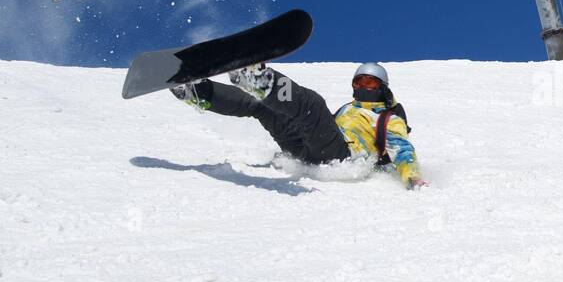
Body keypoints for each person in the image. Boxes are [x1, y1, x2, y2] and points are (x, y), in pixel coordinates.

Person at [171, 62, 424, 188]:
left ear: (382, 87)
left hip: (343, 158)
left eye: (370, 83)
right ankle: (198, 93)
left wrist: (413, 177)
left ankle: (258, 79)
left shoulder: (388, 117)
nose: (362, 87)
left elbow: (402, 149)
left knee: (312, 104)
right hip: (305, 150)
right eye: (358, 82)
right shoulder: (349, 109)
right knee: (264, 107)